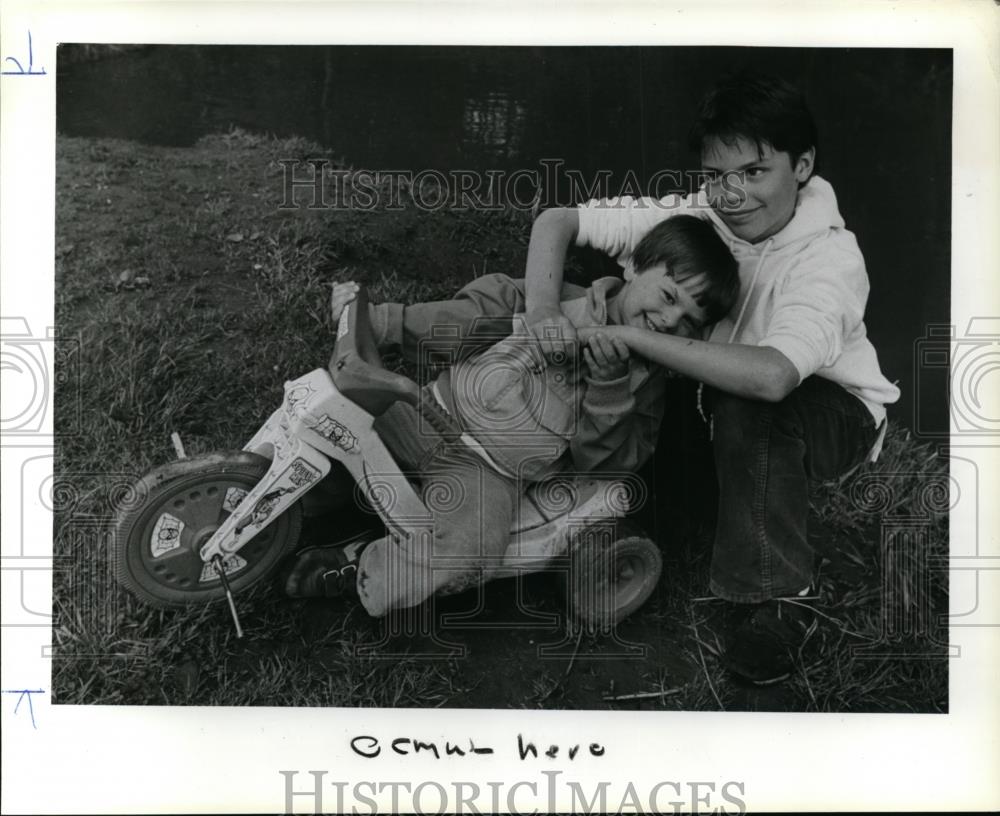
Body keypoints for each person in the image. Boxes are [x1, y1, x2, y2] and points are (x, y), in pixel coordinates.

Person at [521, 71, 901, 685]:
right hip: (711, 391)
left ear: (802, 165)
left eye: (754, 172)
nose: (733, 195)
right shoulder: (700, 213)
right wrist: (543, 313)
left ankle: (782, 597)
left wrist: (637, 339)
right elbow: (557, 221)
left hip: (827, 410)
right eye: (717, 175)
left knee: (749, 408)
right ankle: (557, 482)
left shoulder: (830, 259)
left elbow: (774, 376)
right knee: (616, 298)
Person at [283, 215, 739, 618]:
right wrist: (382, 322)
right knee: (336, 419)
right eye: (668, 296)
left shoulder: (645, 387)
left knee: (471, 552)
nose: (669, 320)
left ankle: (358, 563)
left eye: (687, 321)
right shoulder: (550, 299)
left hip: (488, 472)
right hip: (426, 410)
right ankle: (285, 496)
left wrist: (609, 389)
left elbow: (606, 465)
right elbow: (466, 319)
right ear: (635, 267)